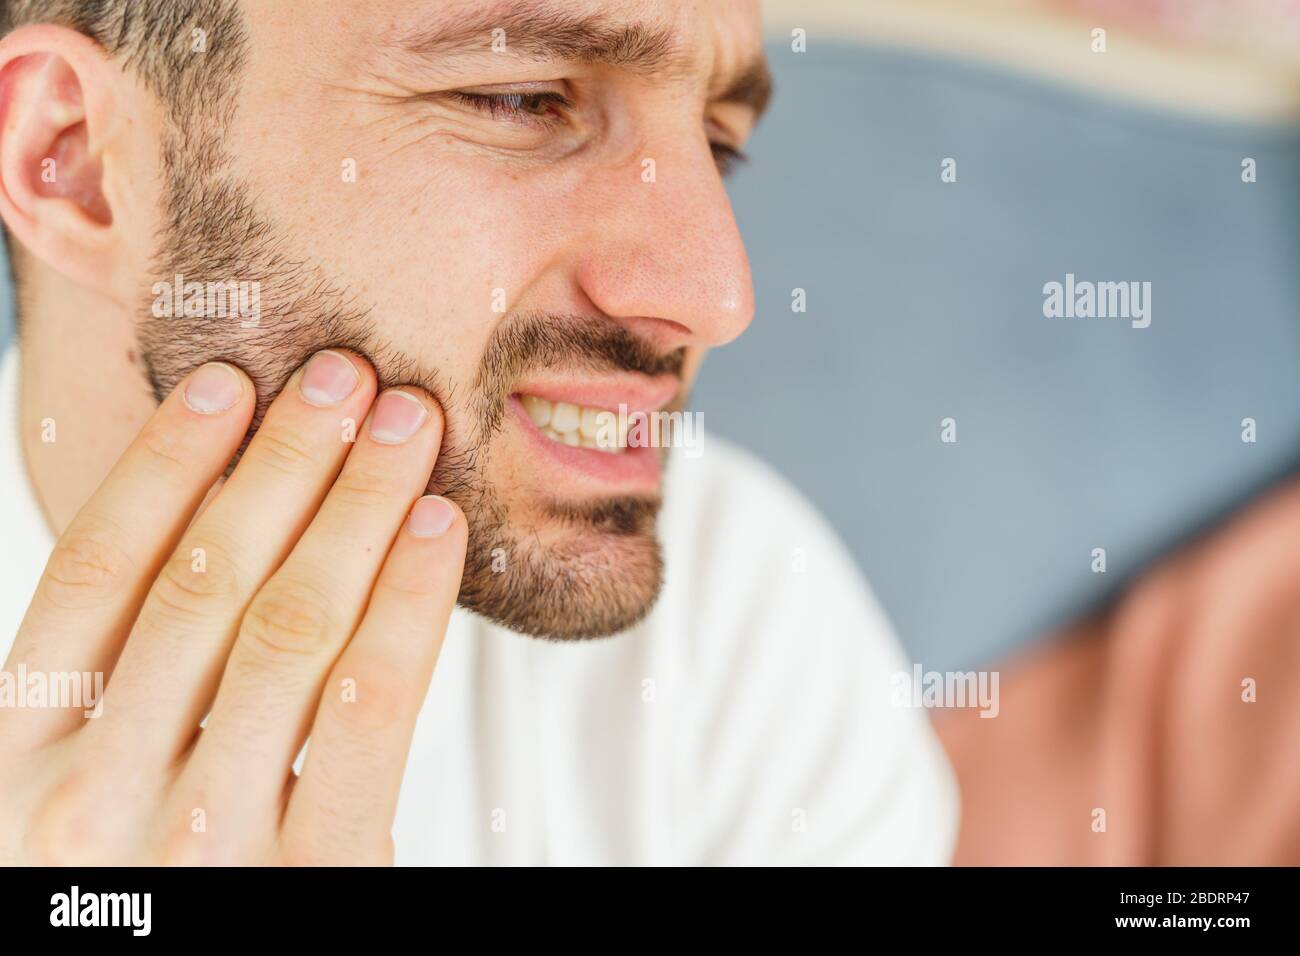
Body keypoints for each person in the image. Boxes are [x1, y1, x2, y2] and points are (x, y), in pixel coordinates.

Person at [0, 0, 955, 865]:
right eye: (523, 99)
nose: (716, 296)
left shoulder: (743, 619)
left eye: (718, 140)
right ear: (74, 159)